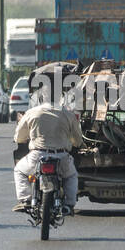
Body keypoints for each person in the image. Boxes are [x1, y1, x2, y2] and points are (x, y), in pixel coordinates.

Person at [12, 87, 84, 215]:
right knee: (71, 176)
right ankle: (69, 204)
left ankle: (26, 200)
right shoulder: (68, 114)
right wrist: (74, 143)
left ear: (40, 98)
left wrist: (25, 139)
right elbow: (77, 139)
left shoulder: (32, 112)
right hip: (61, 156)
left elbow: (19, 137)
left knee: (19, 171)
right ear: (60, 98)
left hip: (37, 156)